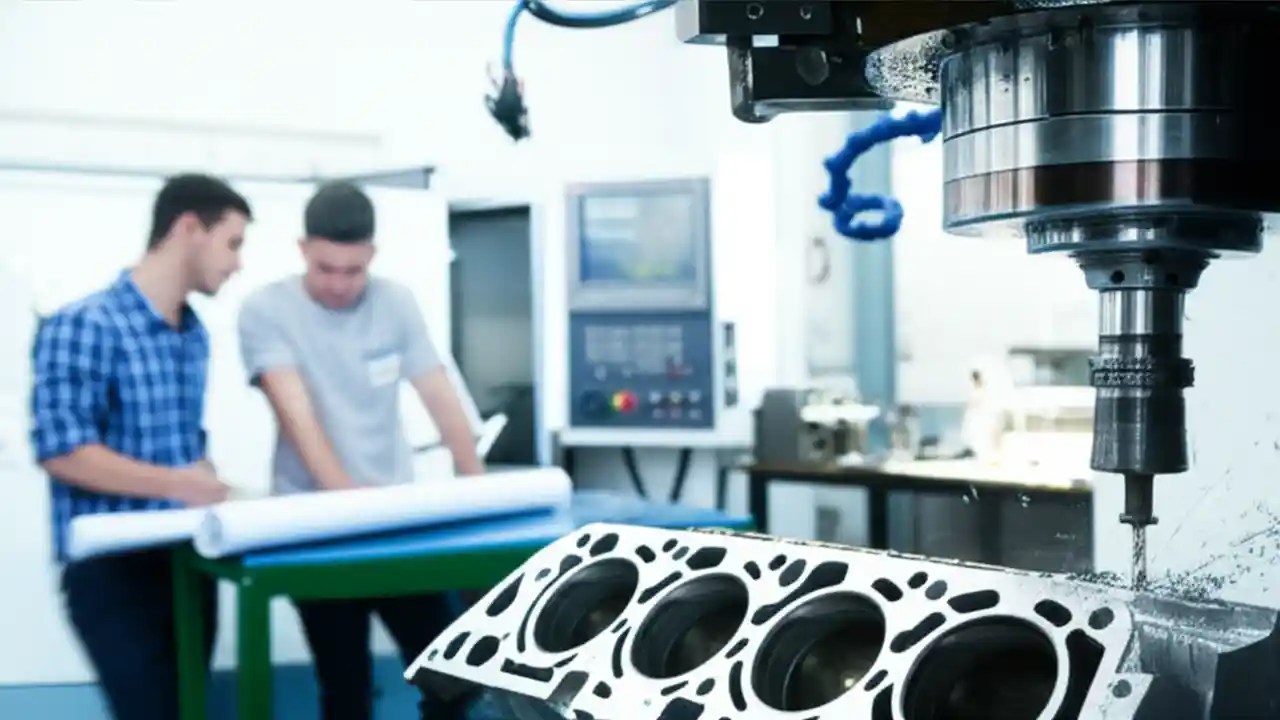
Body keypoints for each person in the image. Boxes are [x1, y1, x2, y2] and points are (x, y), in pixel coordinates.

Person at [237, 180, 484, 720]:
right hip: (318, 527)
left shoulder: (395, 301)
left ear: (371, 255)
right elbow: (298, 416)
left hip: (394, 527)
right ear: (303, 250)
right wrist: (351, 507)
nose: (339, 285)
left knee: (453, 678)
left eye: (353, 271)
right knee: (345, 689)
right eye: (325, 269)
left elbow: (440, 393)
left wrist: (481, 496)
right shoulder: (266, 310)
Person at [29, 173, 252, 719]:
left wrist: (206, 477)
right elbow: (63, 449)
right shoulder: (85, 324)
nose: (238, 262)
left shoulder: (194, 334)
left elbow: (181, 448)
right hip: (112, 575)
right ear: (188, 228)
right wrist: (179, 483)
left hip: (185, 564)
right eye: (233, 242)